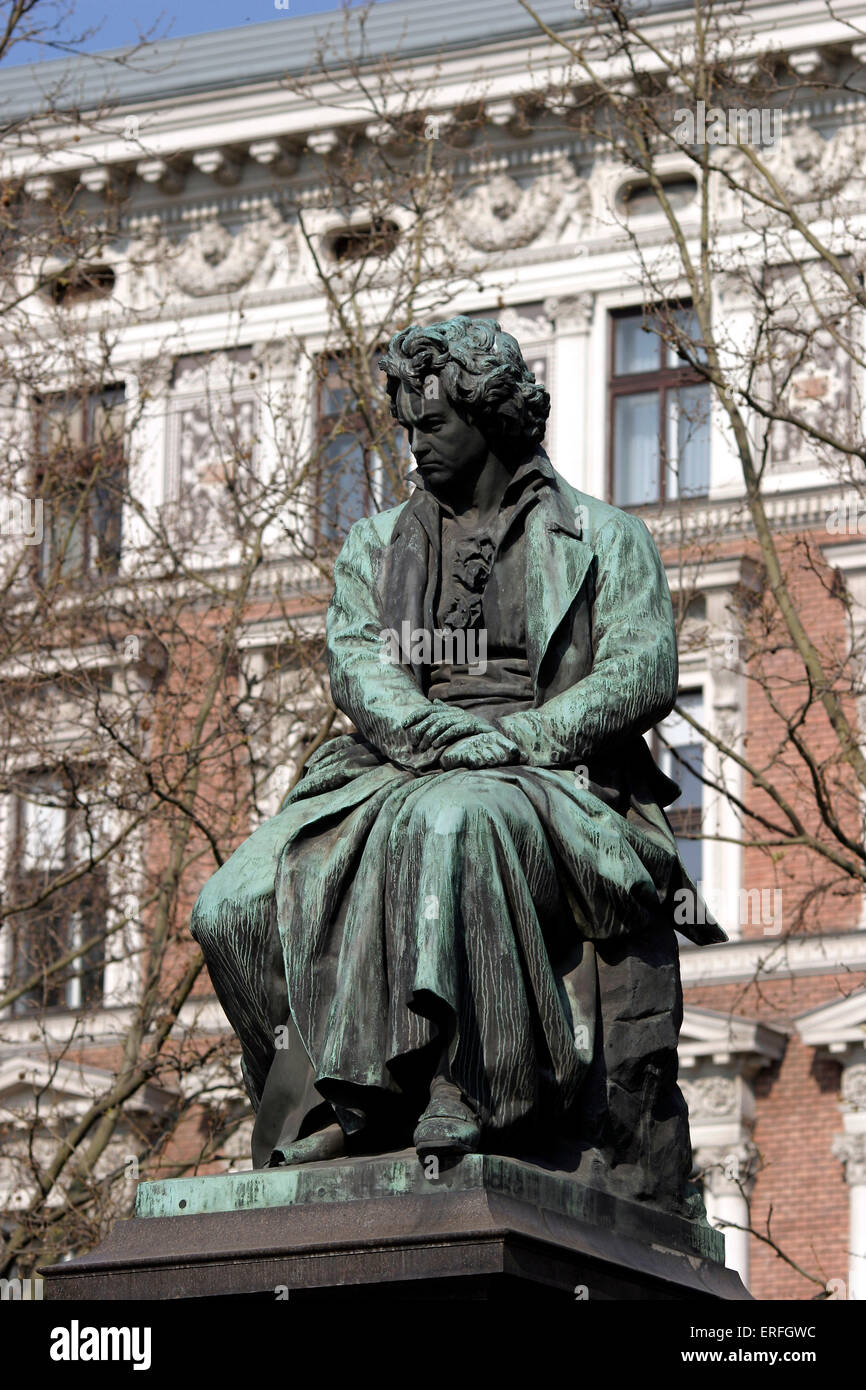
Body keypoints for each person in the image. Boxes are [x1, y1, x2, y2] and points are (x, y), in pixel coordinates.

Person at [191, 316, 724, 1211]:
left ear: (488, 417)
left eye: (431, 424)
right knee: (229, 906)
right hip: (394, 764)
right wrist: (438, 738)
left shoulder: (604, 537)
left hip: (553, 777)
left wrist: (522, 738)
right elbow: (358, 667)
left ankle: (474, 1083)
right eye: (404, 426)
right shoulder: (373, 547)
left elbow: (643, 670)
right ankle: (335, 1100)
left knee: (456, 818)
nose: (414, 444)